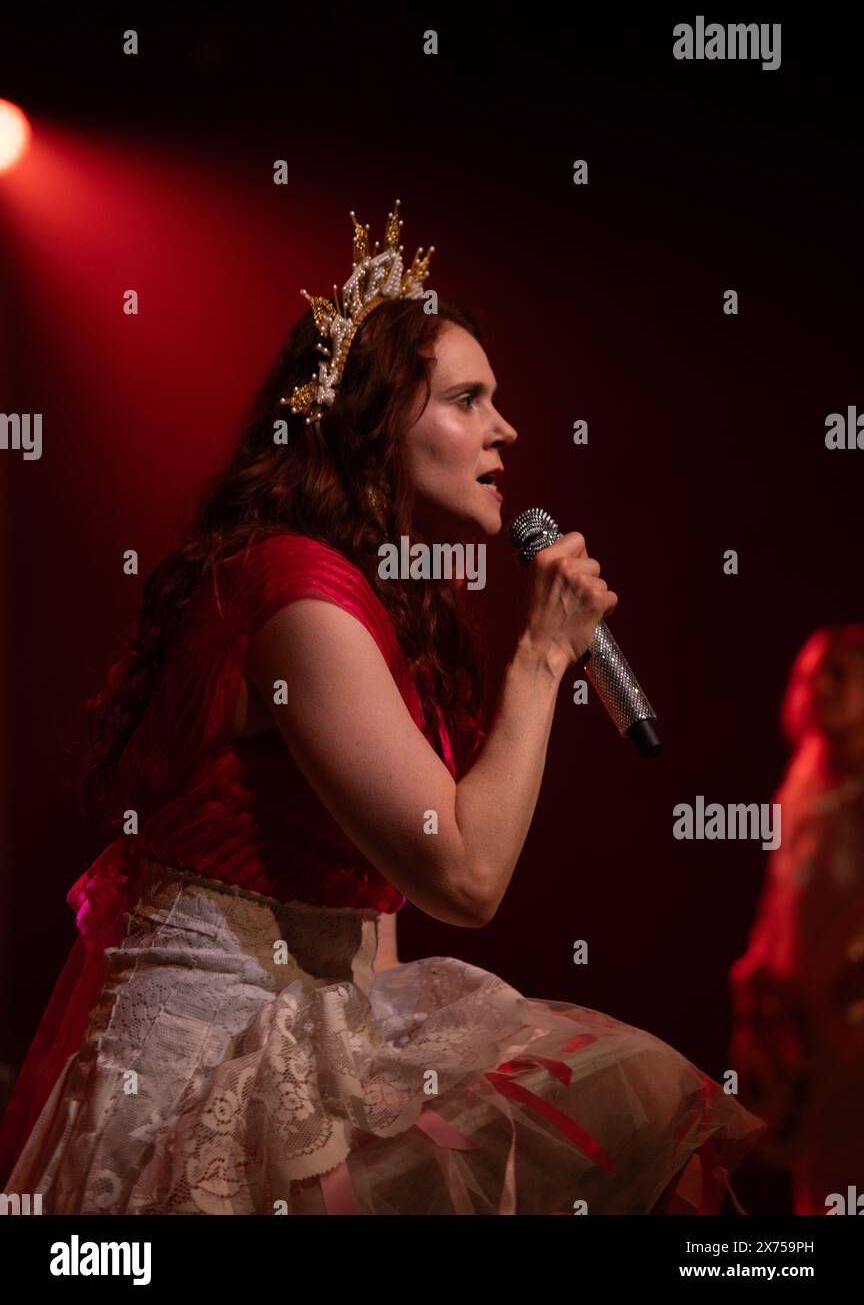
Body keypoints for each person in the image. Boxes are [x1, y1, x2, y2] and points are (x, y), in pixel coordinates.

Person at [0, 200, 764, 1215]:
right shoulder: (294, 590)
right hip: (206, 1079)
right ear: (374, 418)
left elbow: (374, 913)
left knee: (642, 1141)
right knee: (638, 1100)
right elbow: (465, 872)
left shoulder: (376, 598)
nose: (507, 427)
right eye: (468, 397)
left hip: (317, 1043)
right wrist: (543, 651)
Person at [729, 625, 864, 1215]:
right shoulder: (801, 786)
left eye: (842, 672)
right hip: (807, 1045)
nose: (822, 687)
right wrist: (756, 970)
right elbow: (779, 904)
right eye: (814, 674)